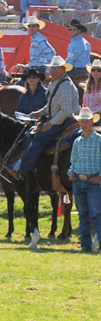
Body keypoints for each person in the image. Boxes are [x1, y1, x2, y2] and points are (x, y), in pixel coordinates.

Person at [14, 55, 80, 180]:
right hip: (58, 119)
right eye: (51, 68)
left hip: (66, 122)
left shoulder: (65, 86)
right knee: (31, 133)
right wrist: (38, 113)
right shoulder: (54, 83)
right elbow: (50, 106)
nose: (53, 71)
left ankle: (23, 171)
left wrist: (49, 124)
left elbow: (66, 111)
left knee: (39, 138)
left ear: (63, 70)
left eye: (56, 68)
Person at [68, 107, 101, 253]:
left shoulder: (99, 140)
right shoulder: (77, 142)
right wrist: (71, 172)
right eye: (82, 121)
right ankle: (85, 246)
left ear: (91, 122)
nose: (84, 124)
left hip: (93, 182)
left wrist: (99, 176)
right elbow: (73, 161)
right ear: (79, 123)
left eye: (86, 121)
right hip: (78, 181)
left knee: (95, 214)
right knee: (83, 215)